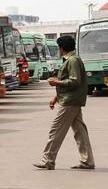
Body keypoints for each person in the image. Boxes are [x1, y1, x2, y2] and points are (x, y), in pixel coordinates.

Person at [33, 35, 95, 170]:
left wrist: (56, 82)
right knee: (80, 131)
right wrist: (55, 98)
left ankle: (48, 160)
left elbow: (74, 81)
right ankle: (87, 161)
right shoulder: (72, 59)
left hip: (70, 102)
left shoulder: (72, 60)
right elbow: (70, 82)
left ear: (62, 48)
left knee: (56, 130)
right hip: (71, 100)